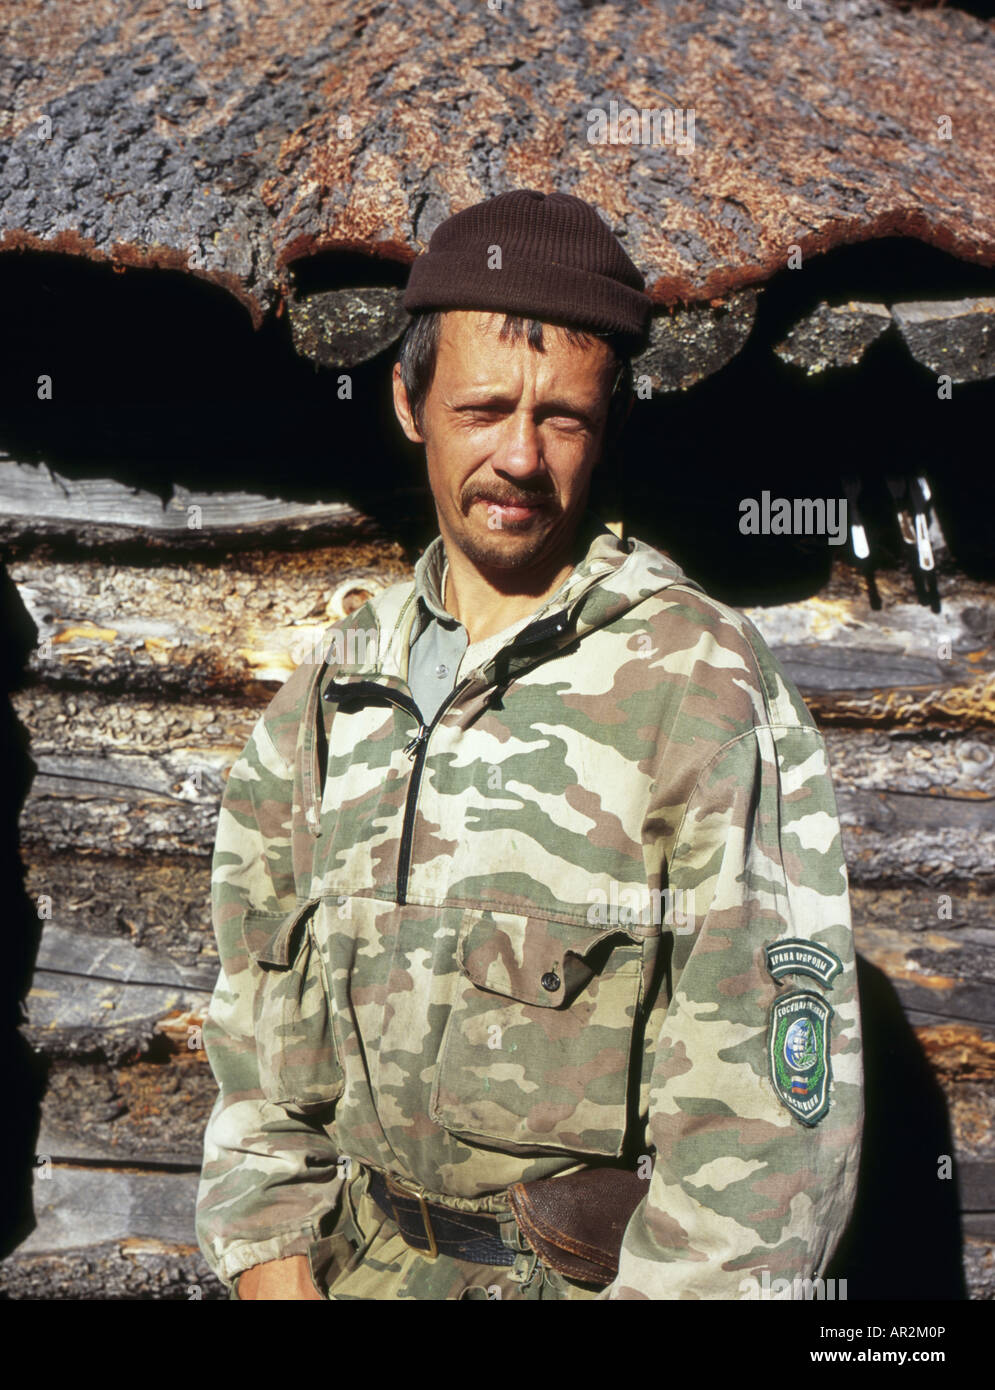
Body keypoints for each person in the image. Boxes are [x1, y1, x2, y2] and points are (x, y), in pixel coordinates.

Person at [195, 189, 864, 1300]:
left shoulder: (697, 686)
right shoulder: (336, 693)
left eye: (563, 417)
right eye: (483, 406)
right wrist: (273, 1267)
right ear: (409, 402)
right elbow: (256, 1024)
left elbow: (769, 1132)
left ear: (609, 428)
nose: (517, 455)